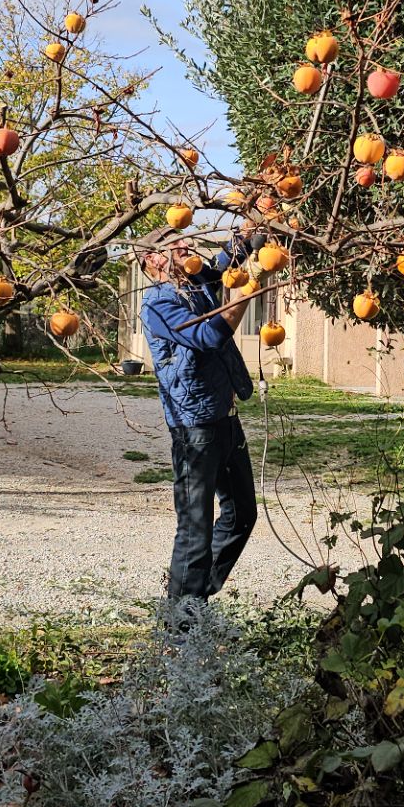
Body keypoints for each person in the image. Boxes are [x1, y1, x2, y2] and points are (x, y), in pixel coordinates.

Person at [140, 228, 260, 601]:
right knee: (195, 529)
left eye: (184, 239)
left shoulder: (195, 281)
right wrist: (242, 298)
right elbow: (208, 337)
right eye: (172, 245)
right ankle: (182, 624)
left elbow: (228, 261)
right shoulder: (157, 304)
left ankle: (194, 597)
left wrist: (256, 225)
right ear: (152, 260)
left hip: (225, 417)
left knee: (242, 514)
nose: (184, 245)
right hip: (194, 428)